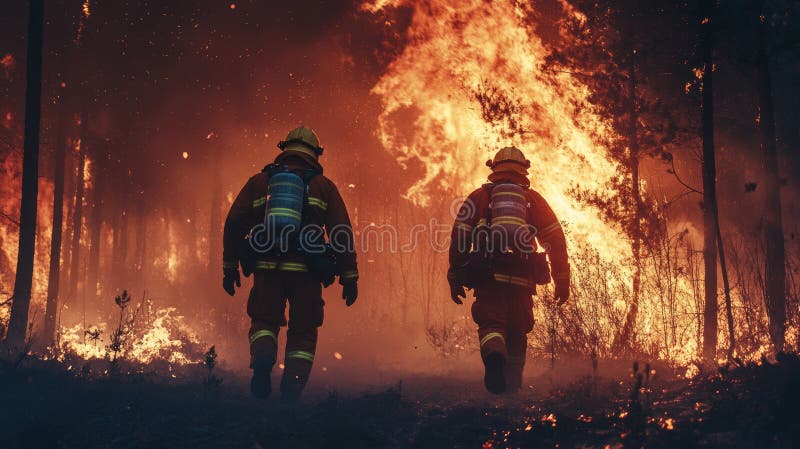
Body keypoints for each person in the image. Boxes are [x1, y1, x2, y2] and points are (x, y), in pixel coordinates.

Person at [222, 125, 359, 401]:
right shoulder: (324, 187)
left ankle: (262, 359)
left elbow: (234, 222)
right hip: (306, 274)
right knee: (303, 332)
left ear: (284, 150)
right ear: (315, 154)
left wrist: (229, 267)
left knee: (264, 321)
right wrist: (349, 276)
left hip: (267, 269)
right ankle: (292, 389)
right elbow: (341, 231)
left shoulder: (260, 182)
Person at [447, 146, 570, 394]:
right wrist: (562, 279)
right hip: (522, 279)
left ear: (494, 169)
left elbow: (460, 237)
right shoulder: (533, 199)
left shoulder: (478, 198)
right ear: (524, 170)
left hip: (489, 277)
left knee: (492, 325)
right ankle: (512, 392)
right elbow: (555, 240)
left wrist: (456, 274)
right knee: (517, 333)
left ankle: (494, 356)